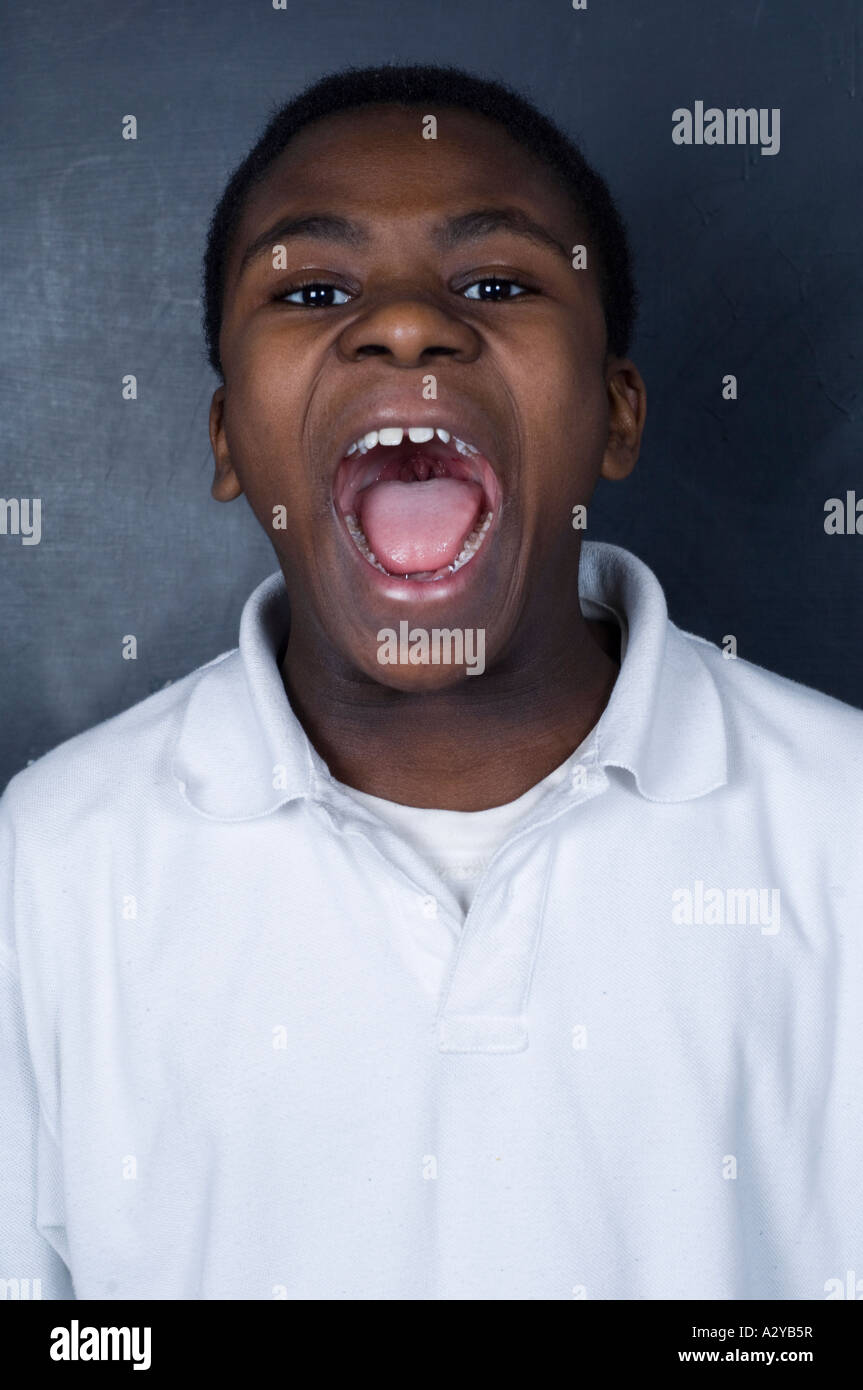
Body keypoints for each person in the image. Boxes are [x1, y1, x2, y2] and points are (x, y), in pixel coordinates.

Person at [2, 64, 861, 1302]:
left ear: (617, 416)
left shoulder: (836, 826)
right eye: (311, 288)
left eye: (499, 283)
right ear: (229, 440)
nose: (404, 326)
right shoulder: (53, 859)